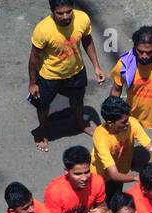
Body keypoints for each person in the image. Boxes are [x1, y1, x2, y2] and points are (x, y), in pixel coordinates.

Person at [28, 0, 106, 153]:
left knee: (77, 100)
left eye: (68, 11)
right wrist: (32, 83)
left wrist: (96, 66)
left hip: (76, 72)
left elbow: (87, 40)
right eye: (60, 13)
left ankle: (80, 124)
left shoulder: (82, 19)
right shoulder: (43, 30)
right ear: (52, 11)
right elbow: (34, 58)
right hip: (49, 76)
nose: (65, 16)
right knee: (43, 105)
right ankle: (42, 131)